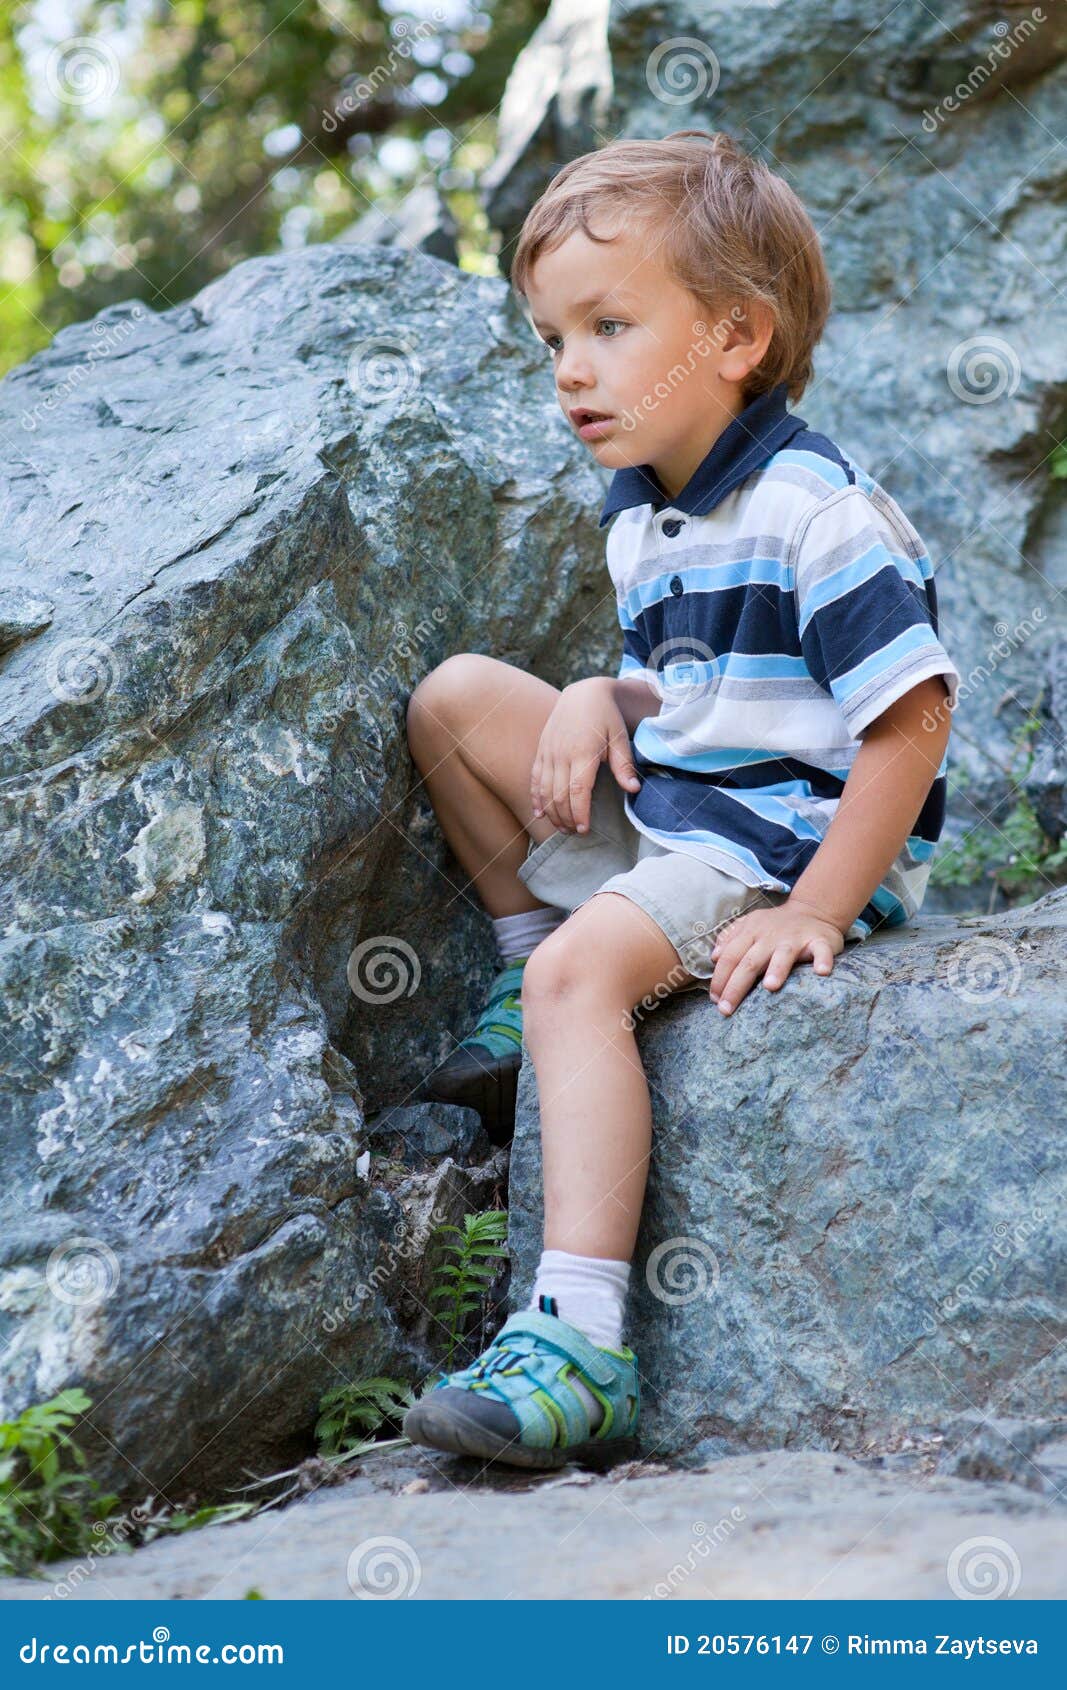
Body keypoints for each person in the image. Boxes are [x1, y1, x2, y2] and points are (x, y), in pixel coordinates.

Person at [402, 130, 960, 1470]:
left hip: (777, 840)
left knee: (590, 984)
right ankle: (525, 960)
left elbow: (912, 714)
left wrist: (824, 900)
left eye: (606, 324)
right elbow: (702, 688)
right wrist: (609, 696)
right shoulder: (640, 508)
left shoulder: (820, 512)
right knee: (454, 701)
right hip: (690, 800)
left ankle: (580, 1337)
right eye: (551, 338)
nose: (569, 369)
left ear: (734, 338)